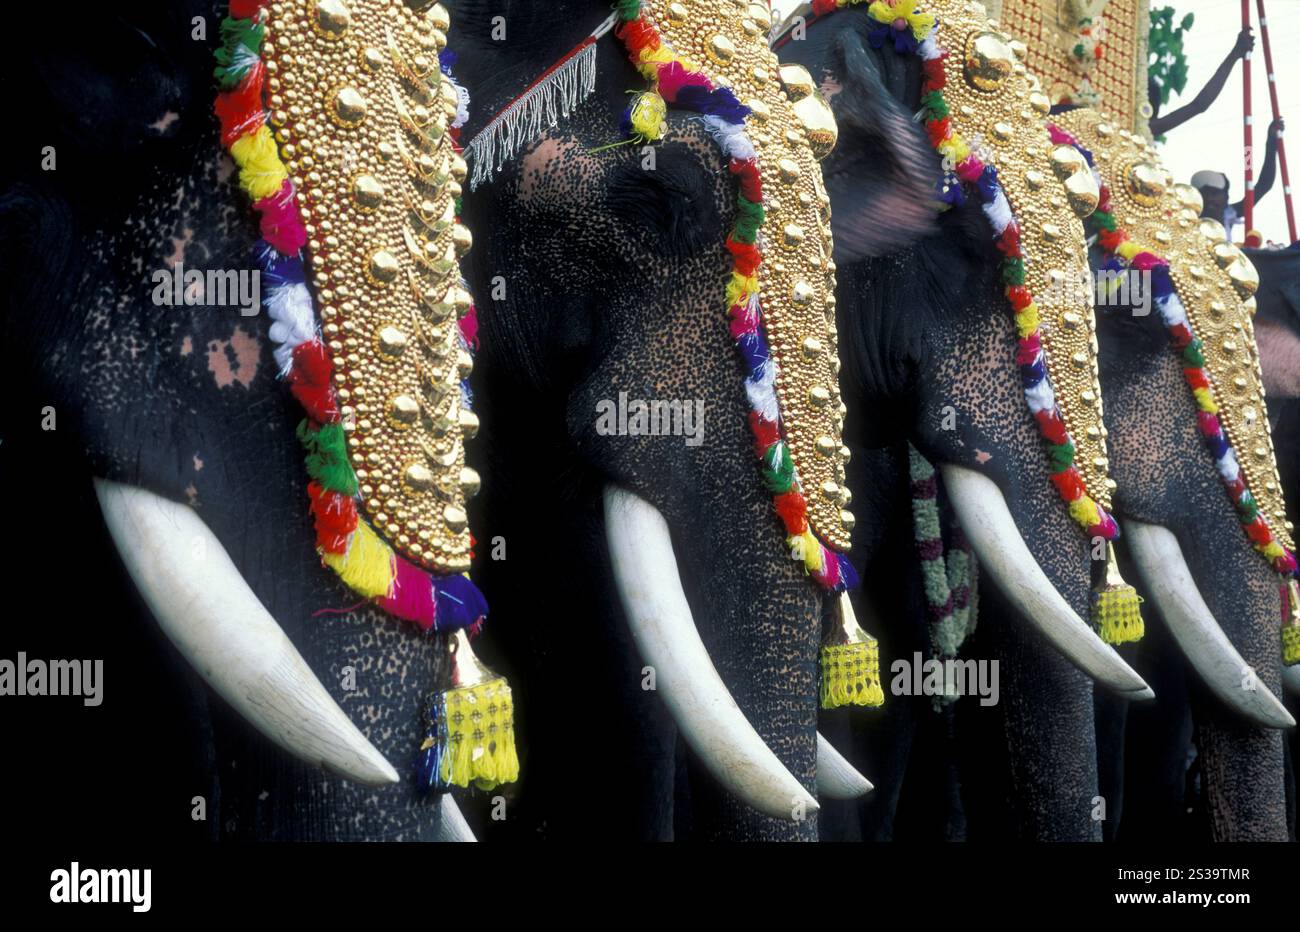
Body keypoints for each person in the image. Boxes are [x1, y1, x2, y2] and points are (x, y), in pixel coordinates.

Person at [1148, 27, 1253, 137]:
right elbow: (1199, 105)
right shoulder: (1150, 129)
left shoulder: (1149, 129)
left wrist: (1235, 53)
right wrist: (1235, 54)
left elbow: (1200, 104)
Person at [1191, 117, 1285, 235]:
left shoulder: (1230, 213)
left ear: (1226, 197)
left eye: (1214, 193)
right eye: (1204, 194)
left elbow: (1264, 185)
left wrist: (1271, 143)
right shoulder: (1186, 218)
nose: (1209, 198)